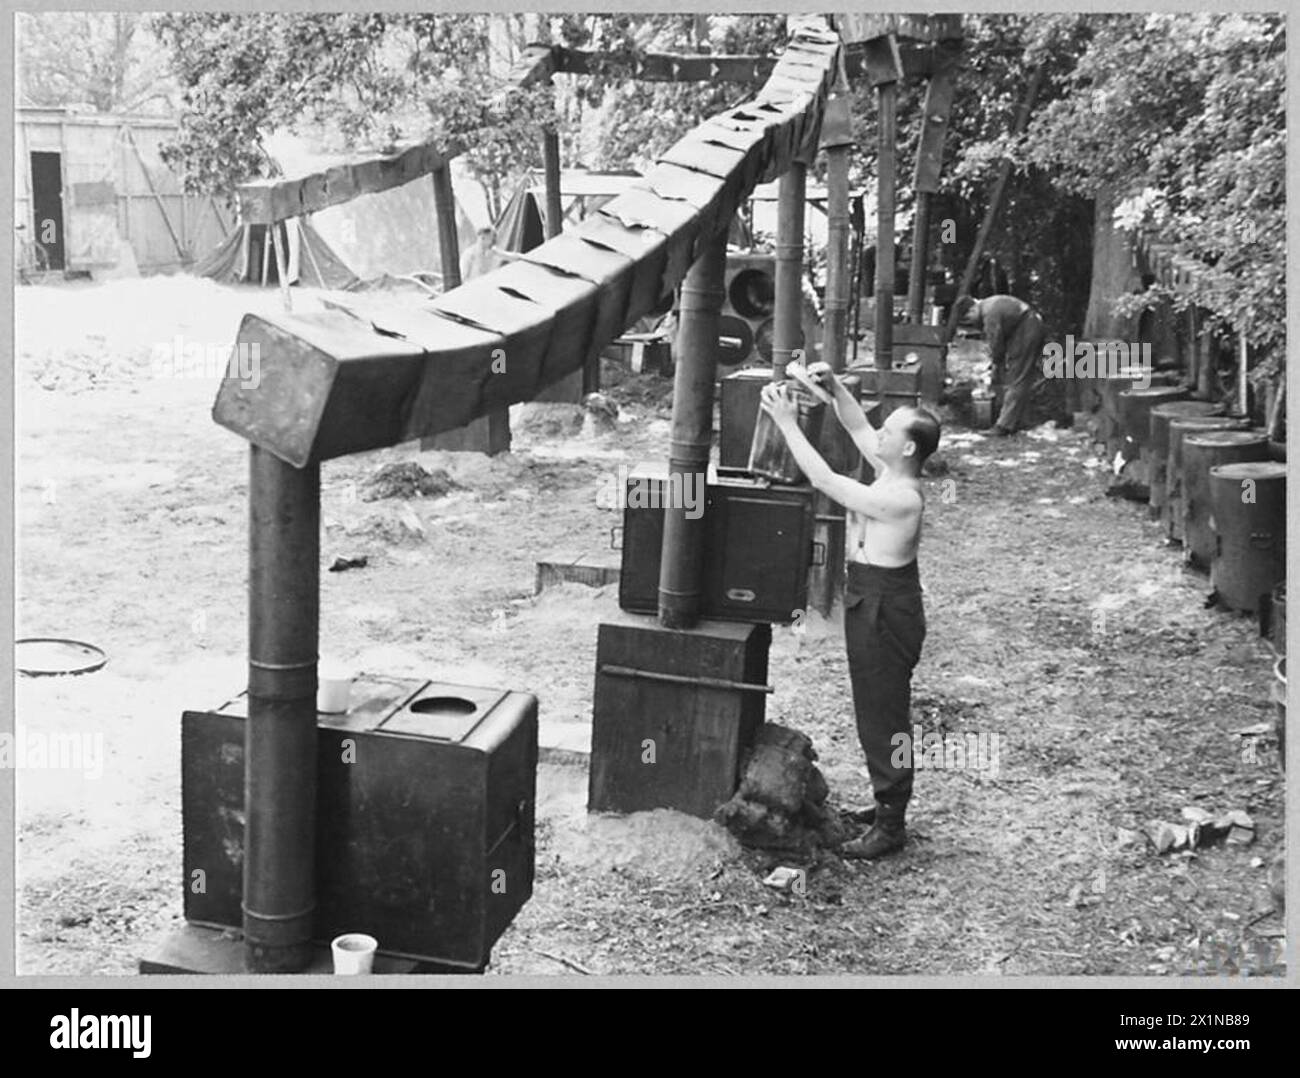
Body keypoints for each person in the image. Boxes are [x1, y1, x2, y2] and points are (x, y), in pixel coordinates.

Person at [759, 369, 939, 859]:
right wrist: (835, 387)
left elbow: (824, 480)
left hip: (886, 607)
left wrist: (786, 422)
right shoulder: (889, 471)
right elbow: (858, 426)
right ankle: (885, 807)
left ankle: (891, 825)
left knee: (883, 716)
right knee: (871, 711)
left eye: (890, 432)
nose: (878, 434)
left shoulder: (901, 497)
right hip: (870, 599)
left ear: (907, 450)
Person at [952, 294, 1046, 435]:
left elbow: (996, 343)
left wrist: (995, 363)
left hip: (1027, 330)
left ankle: (1003, 426)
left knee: (1017, 378)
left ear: (972, 310)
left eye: (969, 319)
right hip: (1029, 326)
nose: (972, 323)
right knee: (1022, 377)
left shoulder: (989, 314)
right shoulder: (990, 304)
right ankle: (1018, 419)